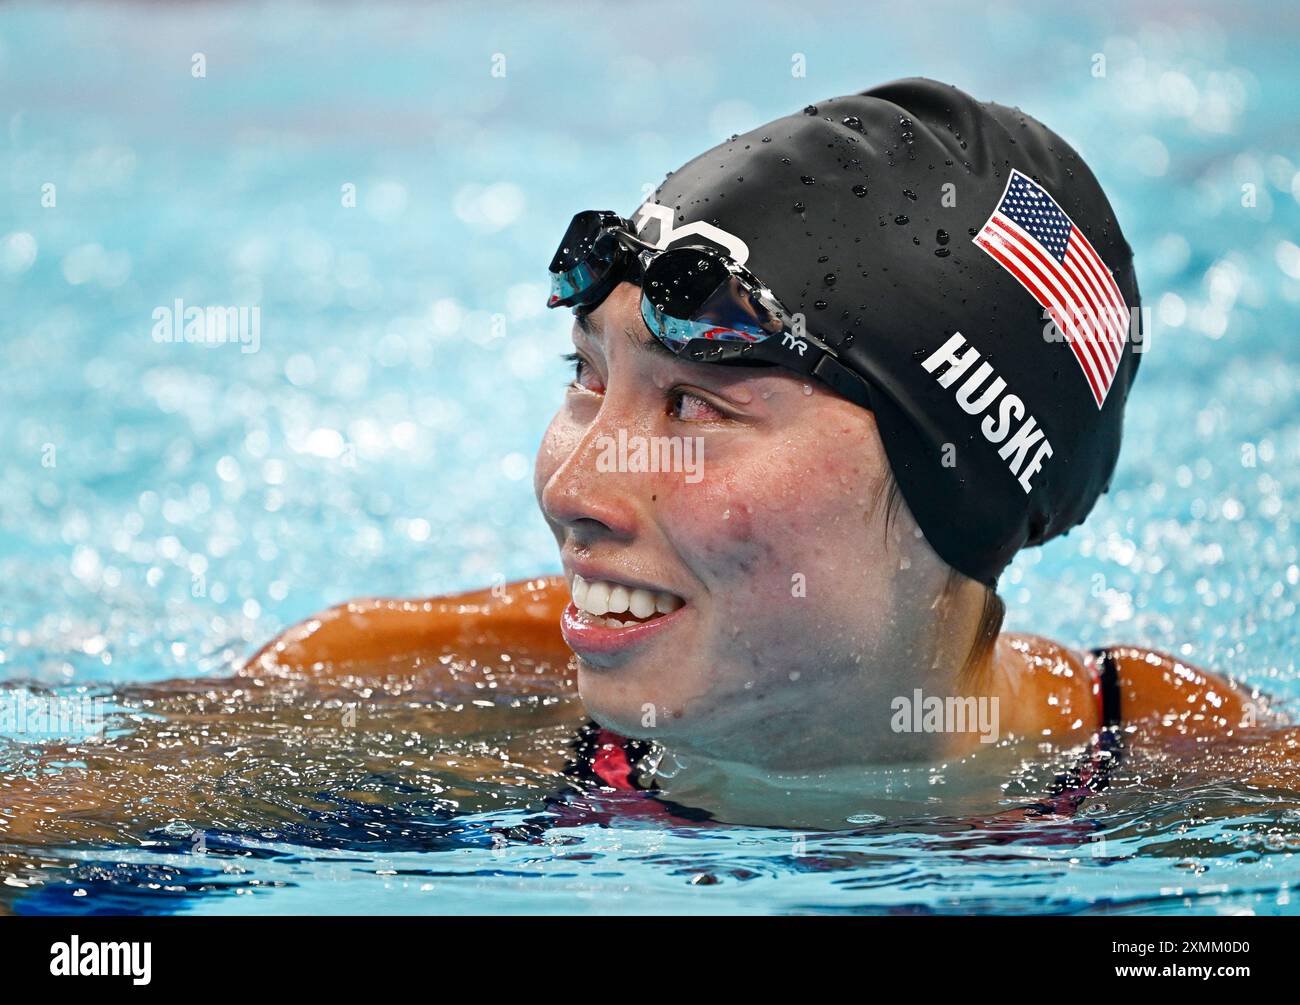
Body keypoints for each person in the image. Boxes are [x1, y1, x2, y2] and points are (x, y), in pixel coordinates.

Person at [246, 79, 1278, 827]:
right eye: (587, 379)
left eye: (695, 405)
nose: (570, 489)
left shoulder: (1199, 778)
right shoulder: (380, 706)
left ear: (948, 492)